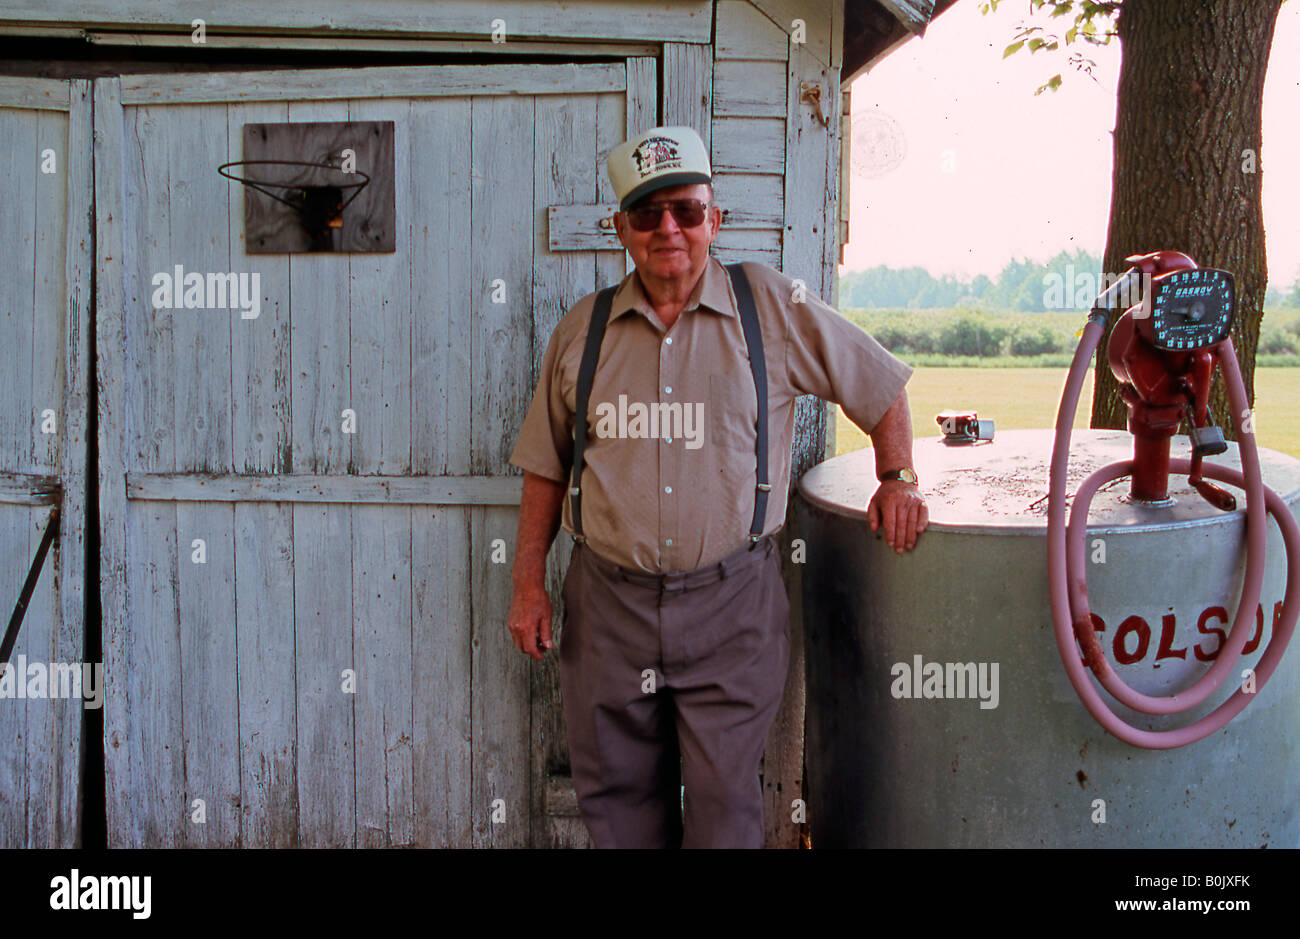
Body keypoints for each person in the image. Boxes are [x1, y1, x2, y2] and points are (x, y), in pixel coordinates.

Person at [506, 125, 926, 848]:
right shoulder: (585, 329)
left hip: (732, 605)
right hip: (607, 605)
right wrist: (527, 584)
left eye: (687, 211)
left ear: (714, 219)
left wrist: (898, 477)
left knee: (724, 807)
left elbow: (880, 384)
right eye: (648, 214)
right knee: (616, 802)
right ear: (622, 230)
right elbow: (546, 462)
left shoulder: (770, 306)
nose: (668, 228)